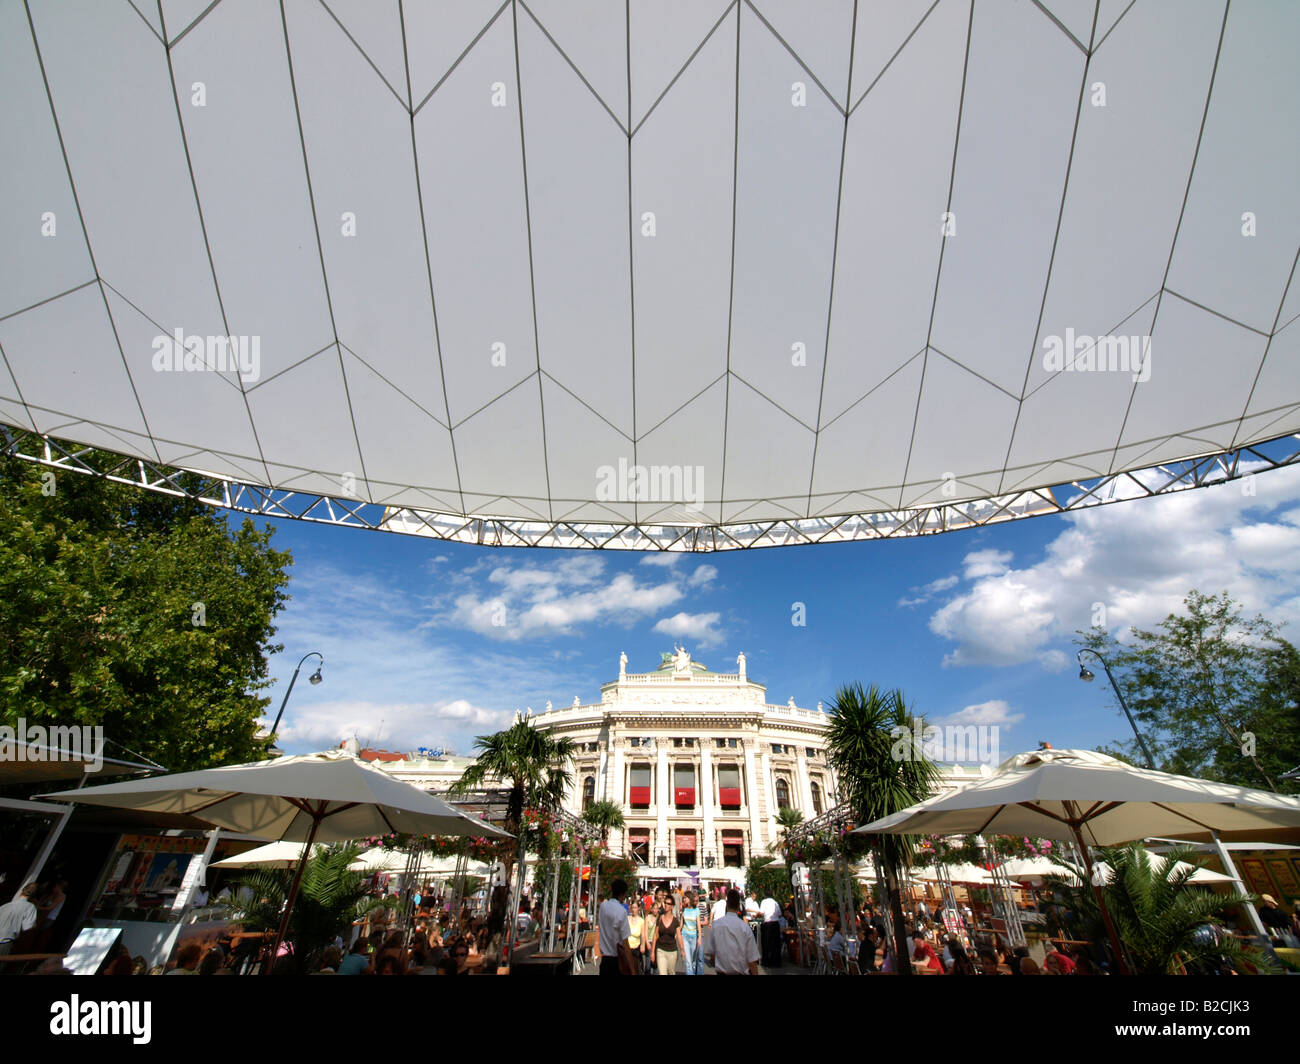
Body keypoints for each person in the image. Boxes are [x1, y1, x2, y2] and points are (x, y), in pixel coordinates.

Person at [706, 889, 760, 975]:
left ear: (727, 905)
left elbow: (712, 955)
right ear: (739, 905)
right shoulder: (745, 928)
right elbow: (752, 960)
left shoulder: (716, 926)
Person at [598, 879, 634, 976]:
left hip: (605, 960)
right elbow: (625, 943)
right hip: (617, 960)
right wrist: (632, 969)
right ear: (622, 894)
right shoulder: (621, 912)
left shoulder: (603, 907)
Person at [0, 883, 40, 955]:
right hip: (5, 942)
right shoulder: (30, 907)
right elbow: (27, 927)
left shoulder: (5, 906)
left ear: (22, 891)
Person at [680, 891, 703, 975]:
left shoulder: (696, 910)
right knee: (688, 961)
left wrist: (699, 937)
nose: (684, 899)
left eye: (685, 898)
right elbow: (681, 924)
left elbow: (698, 925)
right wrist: (677, 933)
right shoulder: (684, 910)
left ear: (689, 899)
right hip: (685, 936)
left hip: (694, 936)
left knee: (693, 961)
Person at [759, 892, 781, 967]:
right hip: (776, 923)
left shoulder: (764, 902)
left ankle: (767, 961)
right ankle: (776, 961)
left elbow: (761, 913)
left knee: (767, 943)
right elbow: (779, 914)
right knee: (776, 943)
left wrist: (757, 914)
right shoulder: (775, 903)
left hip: (768, 923)